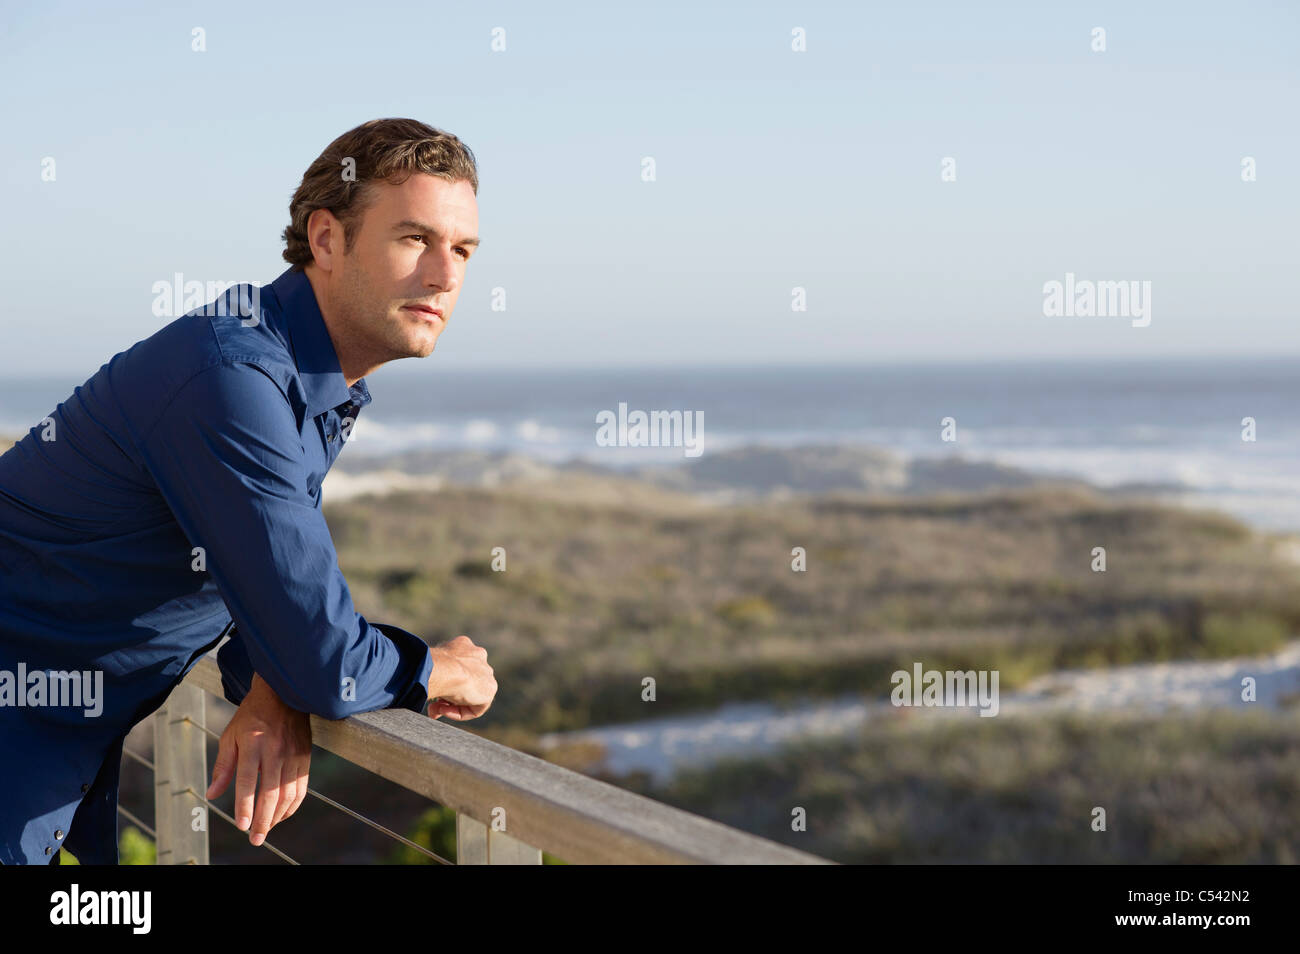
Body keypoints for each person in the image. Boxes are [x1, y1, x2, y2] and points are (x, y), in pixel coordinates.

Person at [0, 118, 497, 865]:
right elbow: (324, 657)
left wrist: (274, 680)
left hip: (62, 740)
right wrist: (435, 667)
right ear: (325, 240)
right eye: (414, 239)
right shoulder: (233, 380)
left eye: (461, 249)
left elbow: (267, 589)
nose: (445, 274)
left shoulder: (300, 379)